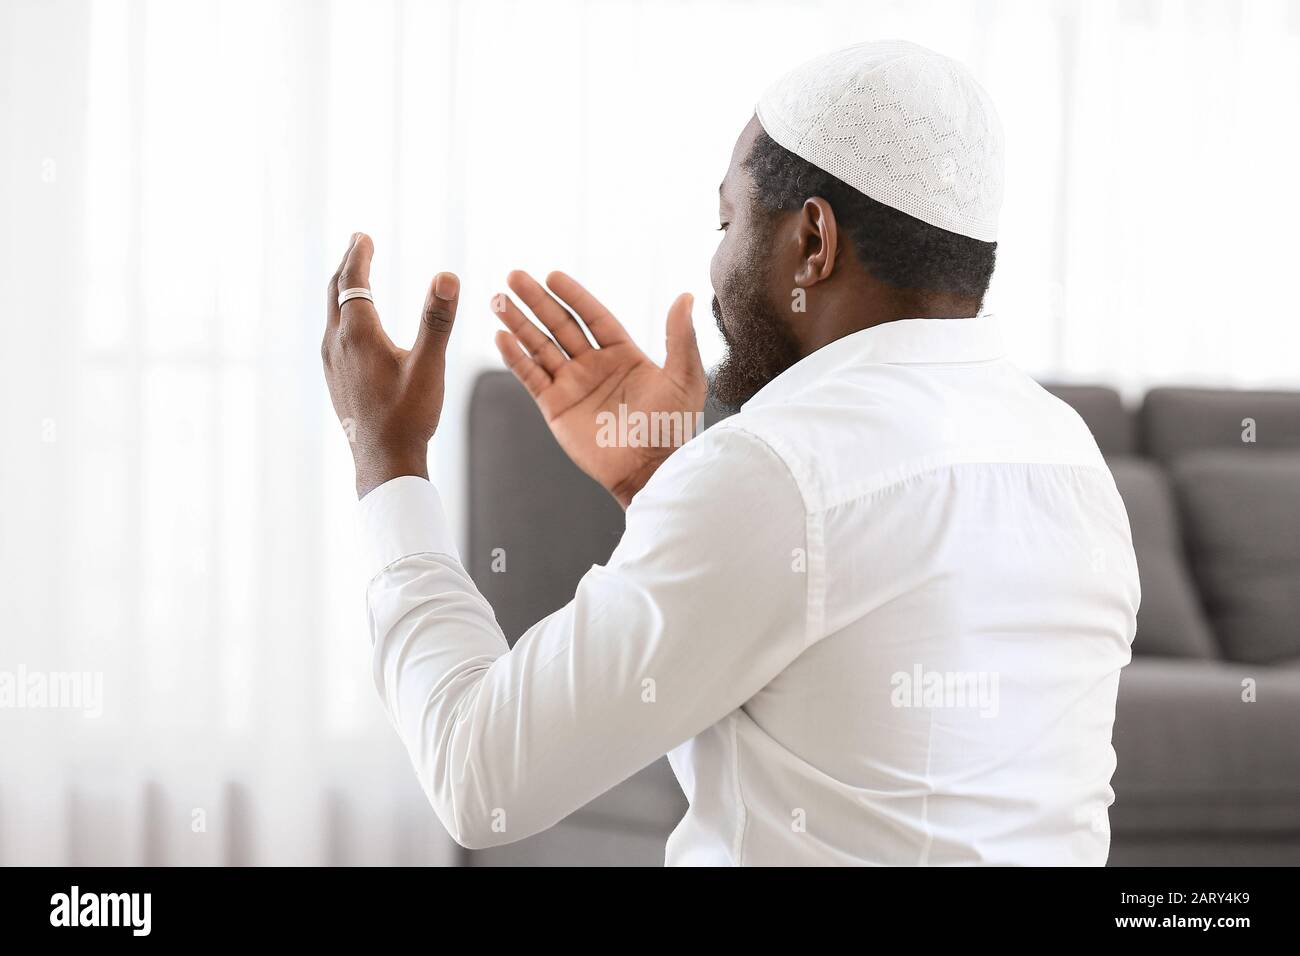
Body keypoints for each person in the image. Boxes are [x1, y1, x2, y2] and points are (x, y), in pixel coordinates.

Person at [320, 40, 1140, 865]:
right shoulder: (1070, 458)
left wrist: (385, 459)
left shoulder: (777, 472)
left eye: (729, 220)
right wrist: (663, 485)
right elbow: (832, 704)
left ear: (812, 242)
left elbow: (479, 775)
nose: (714, 266)